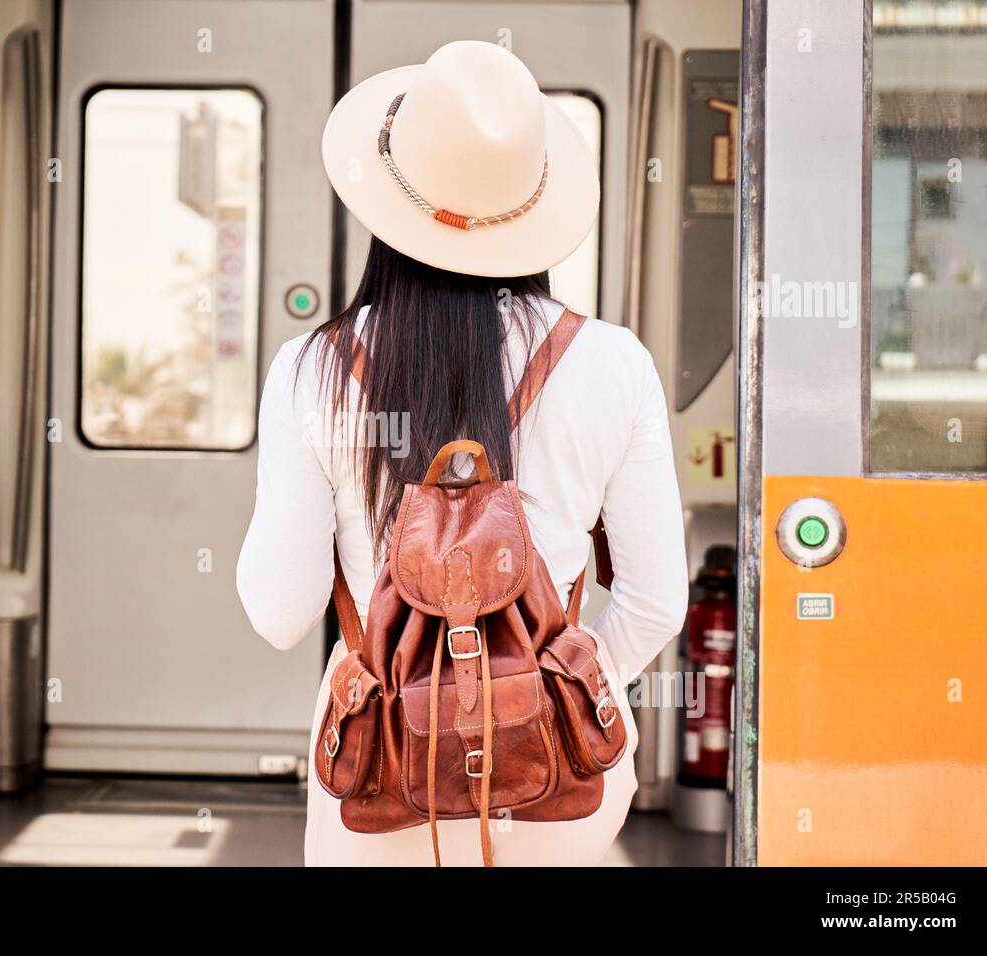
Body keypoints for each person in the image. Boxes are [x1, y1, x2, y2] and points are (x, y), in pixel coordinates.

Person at [237, 40, 687, 866]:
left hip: (377, 775)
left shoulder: (312, 369)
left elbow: (279, 615)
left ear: (383, 207)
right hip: (562, 786)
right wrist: (544, 688)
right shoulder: (615, 362)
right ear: (533, 212)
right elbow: (656, 603)